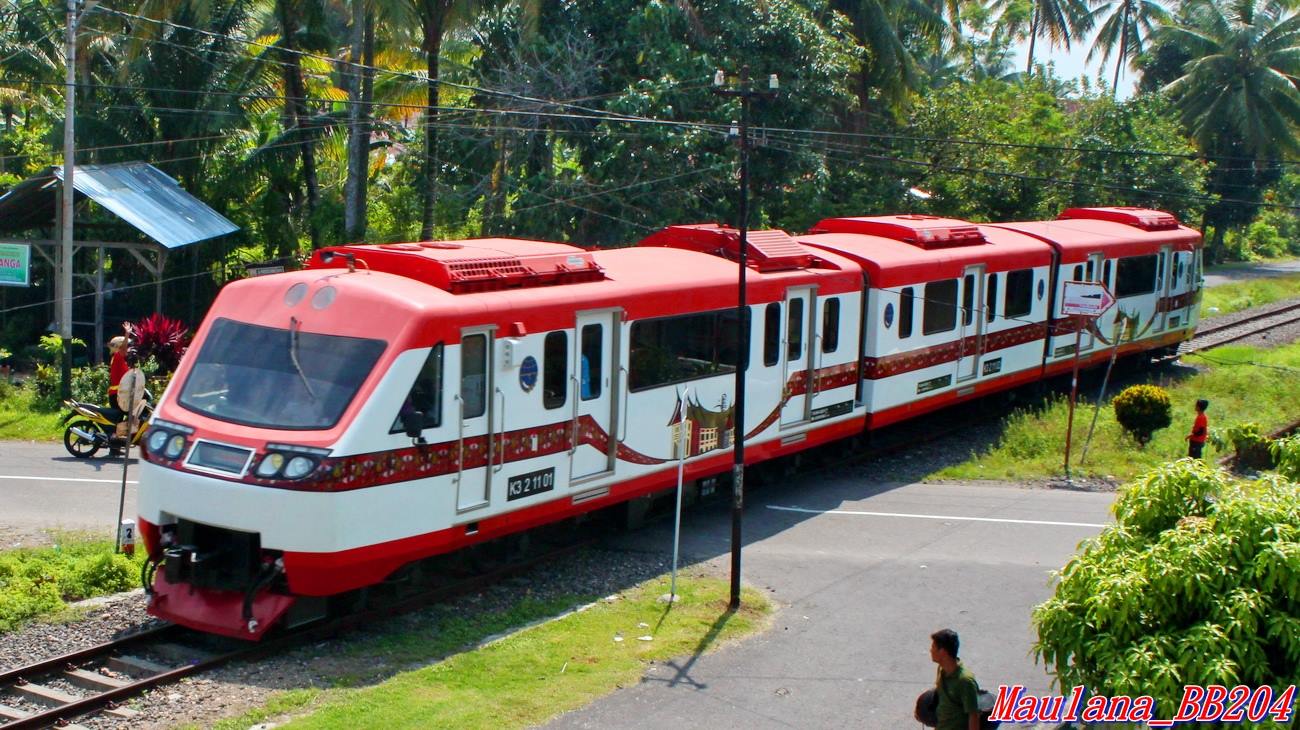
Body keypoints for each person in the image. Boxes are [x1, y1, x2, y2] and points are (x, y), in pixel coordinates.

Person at [930, 629, 981, 730]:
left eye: (933, 647)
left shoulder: (965, 681)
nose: (930, 650)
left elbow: (973, 715)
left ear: (942, 651)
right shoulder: (941, 669)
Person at [106, 334, 129, 405]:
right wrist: (127, 335)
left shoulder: (117, 359)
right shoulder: (117, 357)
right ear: (118, 347)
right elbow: (123, 350)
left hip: (117, 393)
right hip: (118, 394)